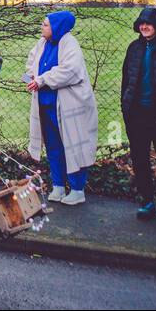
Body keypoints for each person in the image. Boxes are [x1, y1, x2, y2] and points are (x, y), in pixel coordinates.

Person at [25, 11, 99, 206]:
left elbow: (70, 71)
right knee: (53, 146)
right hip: (46, 103)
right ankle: (58, 185)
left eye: (46, 24)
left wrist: (42, 79)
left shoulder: (69, 43)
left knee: (72, 145)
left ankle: (77, 189)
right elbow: (31, 63)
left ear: (56, 28)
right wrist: (32, 77)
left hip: (68, 105)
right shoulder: (42, 43)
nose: (42, 27)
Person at [121, 7, 156, 220]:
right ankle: (147, 202)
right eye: (142, 23)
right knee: (140, 160)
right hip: (138, 115)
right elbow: (125, 81)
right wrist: (126, 108)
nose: (144, 26)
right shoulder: (134, 48)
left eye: (148, 23)